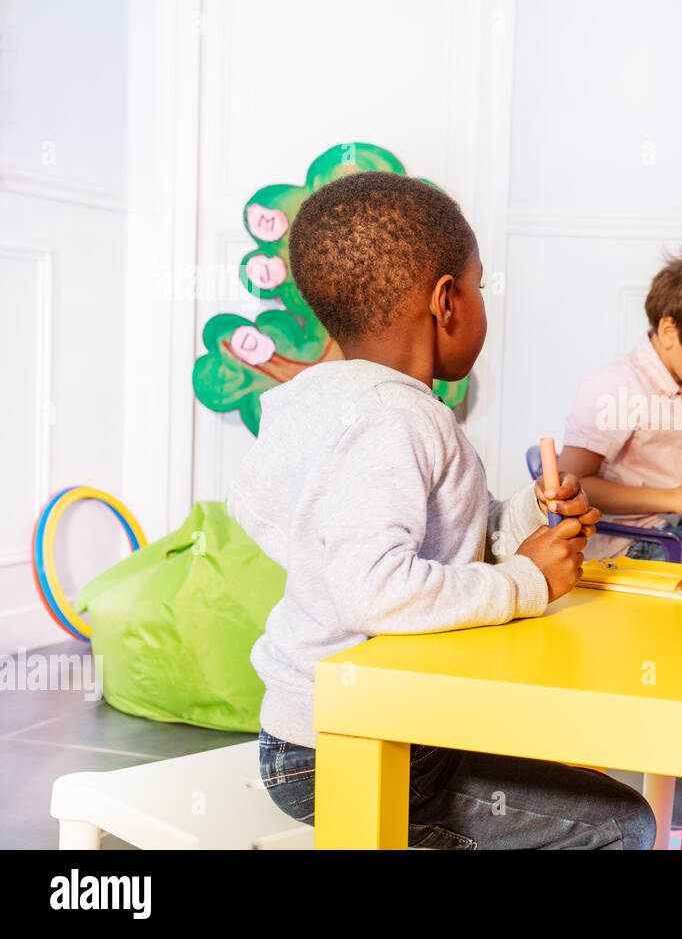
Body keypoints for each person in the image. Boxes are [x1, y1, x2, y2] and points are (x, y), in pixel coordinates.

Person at [228, 171, 656, 848]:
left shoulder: (338, 403)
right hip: (353, 743)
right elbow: (372, 588)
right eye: (479, 286)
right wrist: (527, 581)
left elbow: (450, 536)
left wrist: (527, 517)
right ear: (447, 302)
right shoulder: (391, 422)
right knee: (618, 825)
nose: (483, 302)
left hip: (345, 727)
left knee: (566, 768)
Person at [559, 244, 682, 561]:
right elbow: (569, 485)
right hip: (632, 543)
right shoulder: (617, 387)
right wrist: (674, 498)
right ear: (670, 331)